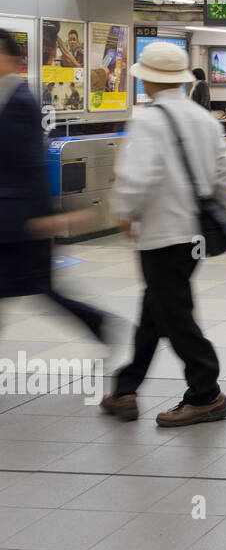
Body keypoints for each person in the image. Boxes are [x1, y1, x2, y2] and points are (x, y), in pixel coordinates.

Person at [99, 41, 226, 426]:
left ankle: (206, 393)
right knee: (157, 307)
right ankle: (126, 389)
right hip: (195, 236)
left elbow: (138, 177)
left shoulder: (147, 121)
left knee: (174, 313)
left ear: (147, 81)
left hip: (162, 234)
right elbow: (225, 178)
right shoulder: (205, 120)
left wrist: (124, 212)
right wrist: (220, 215)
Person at [0, 31, 110, 344]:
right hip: (11, 218)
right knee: (35, 288)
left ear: (12, 58)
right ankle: (96, 322)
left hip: (23, 220)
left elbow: (30, 163)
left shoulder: (21, 101)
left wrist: (44, 215)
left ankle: (96, 321)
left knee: (41, 289)